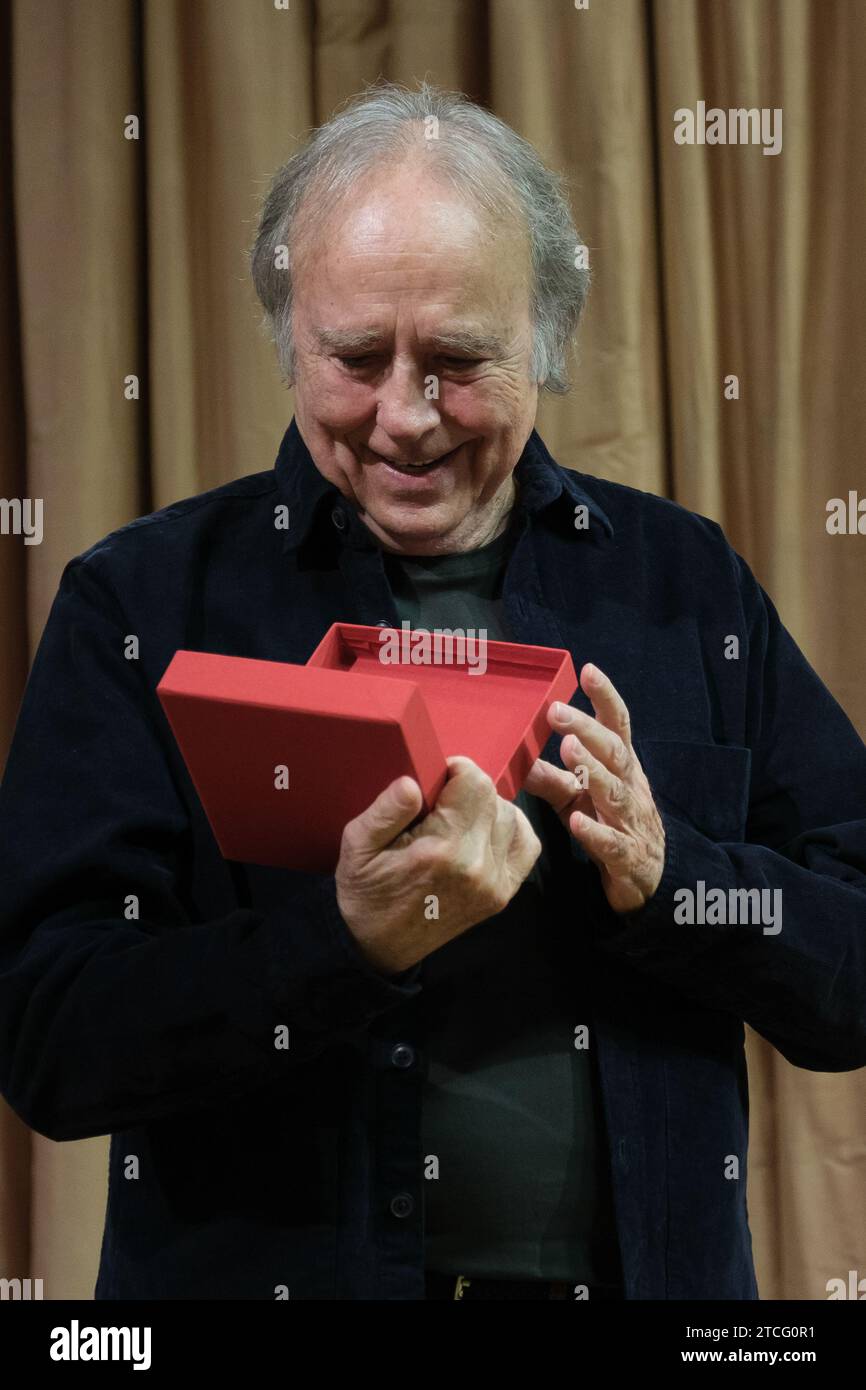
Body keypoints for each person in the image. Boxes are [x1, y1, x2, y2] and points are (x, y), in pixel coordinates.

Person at [1, 81, 864, 1302]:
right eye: (355, 360)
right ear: (288, 332)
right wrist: (337, 943)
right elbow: (46, 1034)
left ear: (545, 343)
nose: (404, 419)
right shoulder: (140, 605)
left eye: (457, 362)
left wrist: (676, 881)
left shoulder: (683, 587)